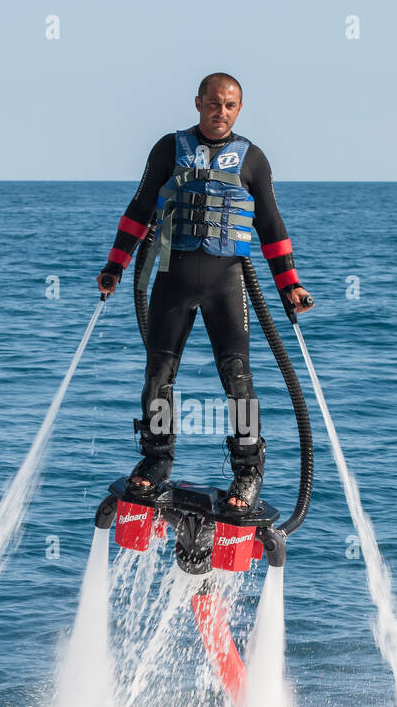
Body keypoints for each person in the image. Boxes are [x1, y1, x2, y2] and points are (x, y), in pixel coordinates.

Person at [97, 73, 313, 513]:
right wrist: (115, 266)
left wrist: (290, 285)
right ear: (198, 103)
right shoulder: (167, 149)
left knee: (238, 380)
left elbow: (271, 227)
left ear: (239, 109)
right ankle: (156, 460)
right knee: (158, 375)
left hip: (226, 284)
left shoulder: (253, 159)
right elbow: (139, 210)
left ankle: (248, 471)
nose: (221, 112)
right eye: (213, 104)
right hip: (172, 280)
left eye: (230, 106)